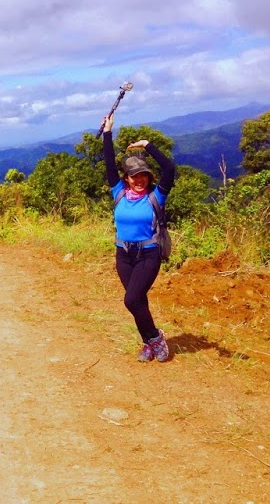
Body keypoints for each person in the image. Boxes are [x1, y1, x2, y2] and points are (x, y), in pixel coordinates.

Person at [99, 114, 176, 362]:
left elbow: (170, 169)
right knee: (137, 302)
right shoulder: (119, 193)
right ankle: (149, 343)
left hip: (149, 254)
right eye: (134, 176)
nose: (140, 179)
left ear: (148, 176)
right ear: (127, 179)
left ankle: (155, 338)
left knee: (131, 298)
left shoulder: (156, 196)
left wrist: (147, 145)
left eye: (143, 175)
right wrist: (108, 132)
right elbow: (109, 164)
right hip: (124, 254)